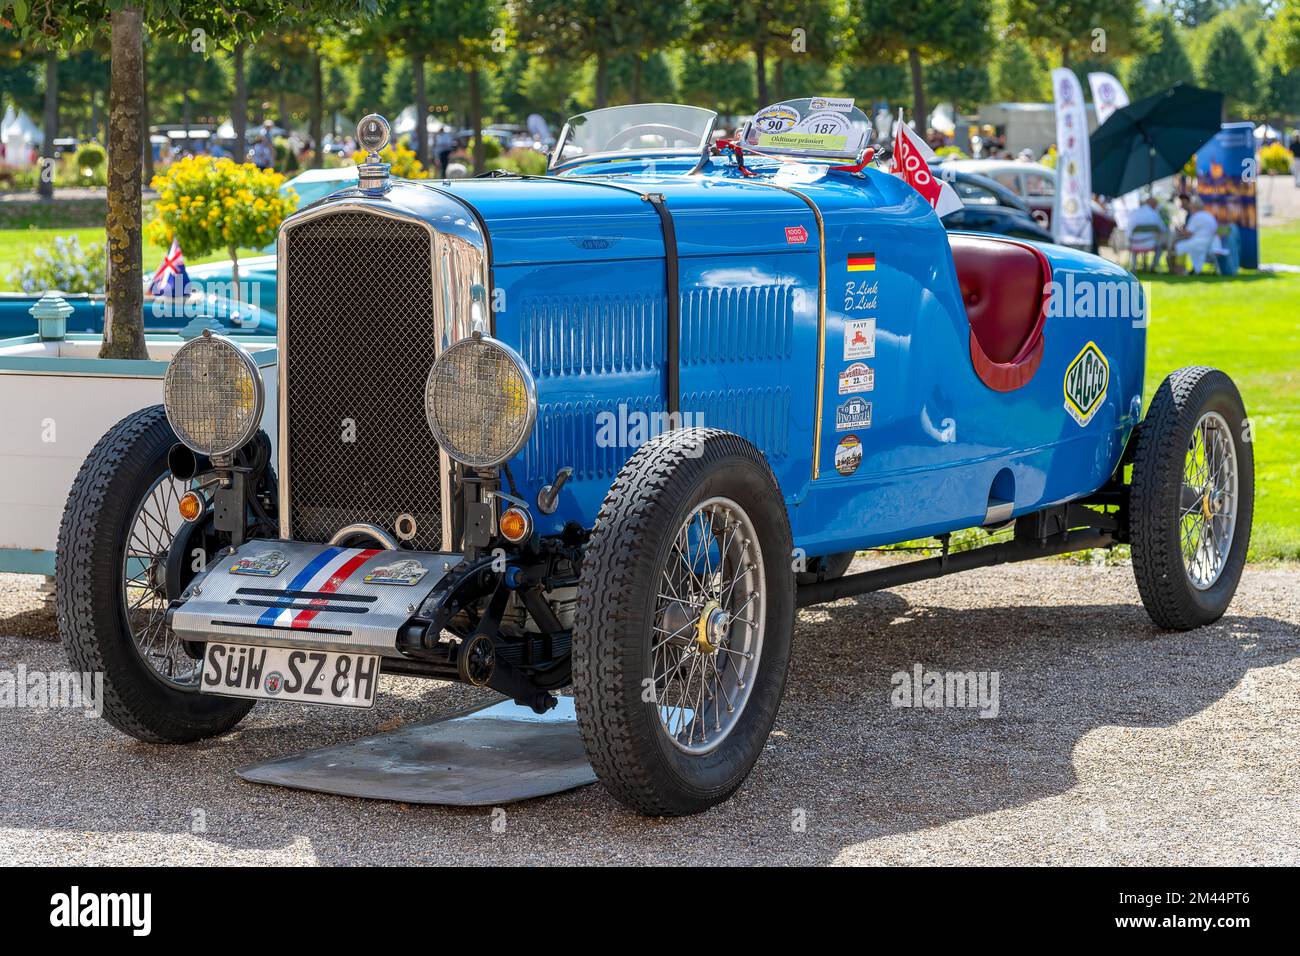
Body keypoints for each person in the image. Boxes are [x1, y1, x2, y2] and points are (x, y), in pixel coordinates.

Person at [1169, 195, 1222, 275]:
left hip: (1199, 243)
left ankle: (1180, 270)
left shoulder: (1196, 216)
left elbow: (1188, 232)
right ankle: (1183, 269)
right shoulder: (1209, 216)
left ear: (1194, 207)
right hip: (1210, 244)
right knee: (1181, 245)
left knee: (1179, 246)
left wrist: (1179, 231)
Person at [1127, 197, 1167, 270]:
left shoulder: (1135, 213)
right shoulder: (1154, 214)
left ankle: (1134, 266)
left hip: (1135, 243)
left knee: (1135, 245)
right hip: (1150, 243)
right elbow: (1163, 229)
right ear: (1153, 204)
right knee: (1161, 246)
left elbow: (1129, 230)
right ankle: (1154, 265)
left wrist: (1130, 239)